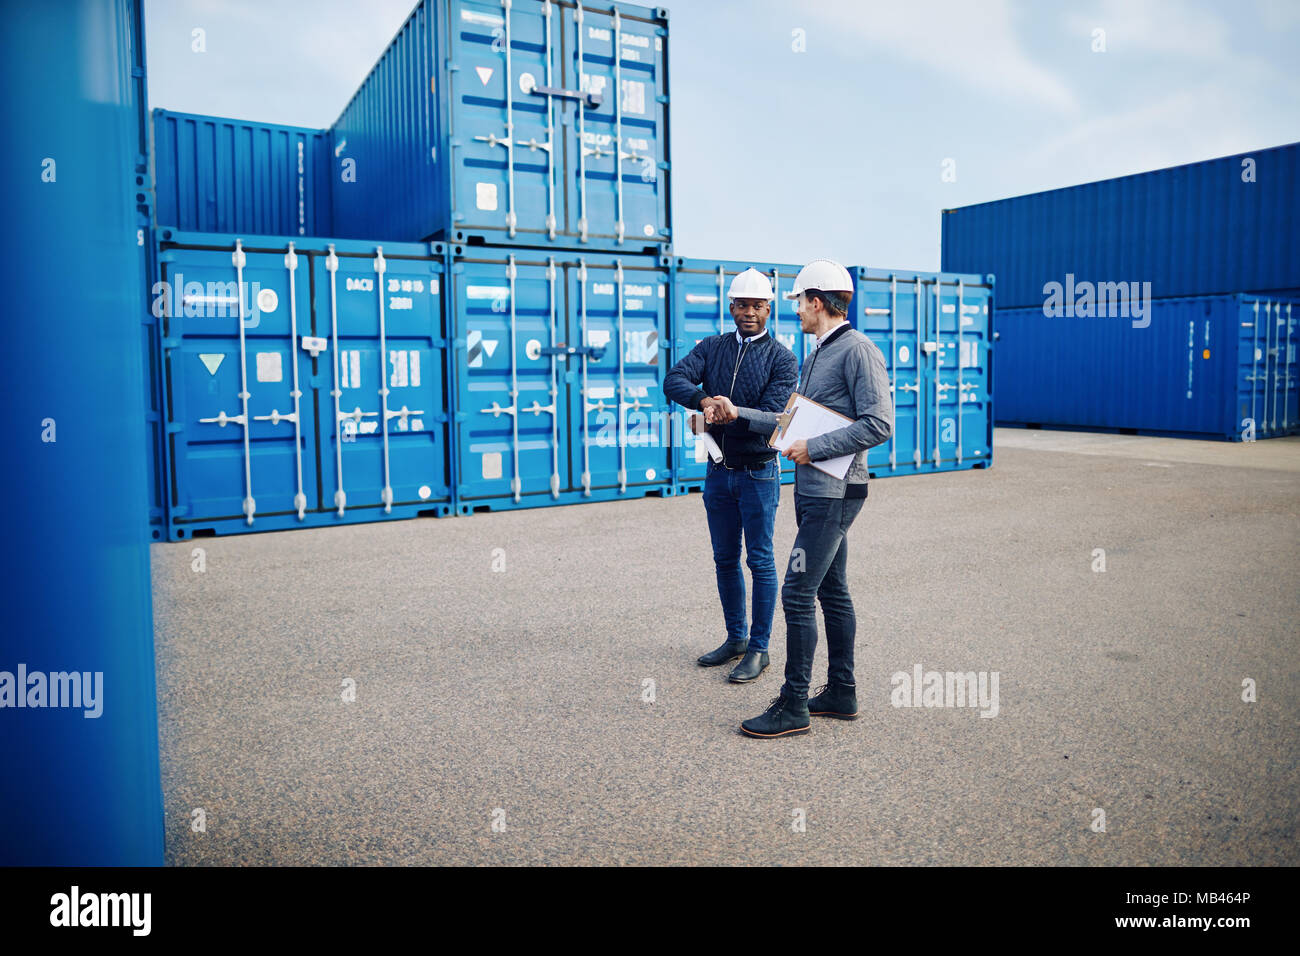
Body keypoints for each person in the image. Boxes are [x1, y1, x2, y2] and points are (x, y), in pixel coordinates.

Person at [710, 259, 893, 738]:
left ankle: (793, 705)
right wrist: (738, 413)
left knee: (796, 592)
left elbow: (879, 424)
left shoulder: (858, 351)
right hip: (815, 491)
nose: (795, 312)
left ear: (816, 301)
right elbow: (789, 422)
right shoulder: (815, 355)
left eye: (797, 303)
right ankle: (841, 691)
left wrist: (815, 448)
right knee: (832, 590)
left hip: (835, 492)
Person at [663, 268, 798, 683]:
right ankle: (736, 638)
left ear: (769, 309)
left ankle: (760, 648)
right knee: (724, 558)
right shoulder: (711, 347)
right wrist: (705, 401)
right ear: (731, 307)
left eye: (758, 306)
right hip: (719, 472)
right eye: (742, 305)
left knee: (759, 560)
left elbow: (777, 419)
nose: (750, 313)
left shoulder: (783, 359)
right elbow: (673, 379)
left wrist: (732, 412)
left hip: (759, 474)